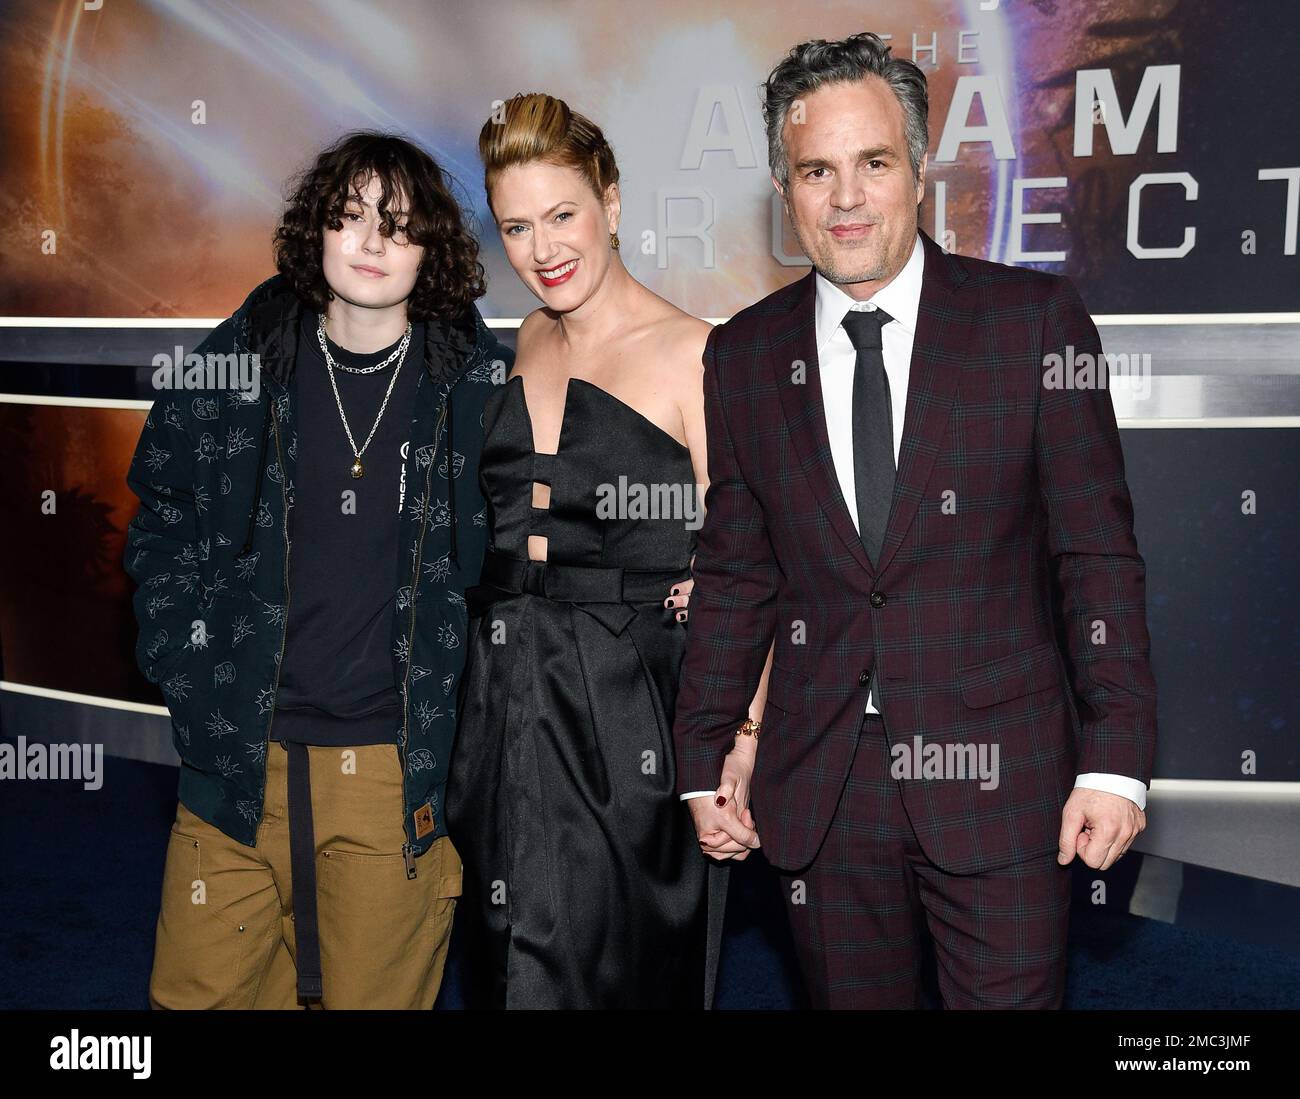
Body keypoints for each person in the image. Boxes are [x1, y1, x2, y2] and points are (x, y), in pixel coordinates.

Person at [672, 32, 1158, 1009]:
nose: (845, 198)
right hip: (820, 794)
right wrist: (701, 755)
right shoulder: (744, 355)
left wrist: (1117, 759)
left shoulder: (1031, 325)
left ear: (919, 169)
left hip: (1001, 782)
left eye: (873, 163)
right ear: (784, 185)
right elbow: (736, 573)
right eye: (816, 170)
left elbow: (1094, 558)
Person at [124, 131, 510, 1008]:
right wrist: (190, 676)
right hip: (234, 760)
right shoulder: (241, 360)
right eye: (349, 217)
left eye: (399, 225)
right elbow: (162, 517)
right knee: (196, 998)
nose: (371, 242)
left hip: (393, 771)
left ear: (433, 249)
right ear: (317, 231)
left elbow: (531, 558)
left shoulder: (481, 387)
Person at [445, 93, 771, 1009]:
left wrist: (740, 742)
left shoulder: (697, 355)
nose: (543, 249)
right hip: (503, 704)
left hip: (627, 723)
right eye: (516, 226)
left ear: (612, 204)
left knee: (616, 971)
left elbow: (750, 571)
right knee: (507, 956)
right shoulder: (524, 341)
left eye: (562, 215)